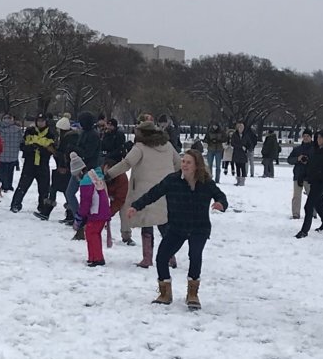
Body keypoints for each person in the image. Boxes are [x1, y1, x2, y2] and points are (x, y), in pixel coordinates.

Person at [132, 147, 229, 309]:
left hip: (199, 227)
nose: (184, 164)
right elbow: (154, 193)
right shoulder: (172, 180)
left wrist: (221, 204)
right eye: (183, 161)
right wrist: (136, 206)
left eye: (188, 162)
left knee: (195, 255)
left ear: (197, 165)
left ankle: (192, 294)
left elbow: (221, 196)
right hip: (177, 227)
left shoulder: (206, 183)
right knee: (161, 257)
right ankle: (165, 293)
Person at [110, 118, 181, 269]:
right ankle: (170, 257)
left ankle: (147, 258)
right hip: (165, 189)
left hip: (145, 190)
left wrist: (110, 174)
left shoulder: (140, 147)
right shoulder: (167, 145)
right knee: (164, 223)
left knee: (146, 224)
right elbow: (178, 163)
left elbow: (127, 163)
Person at [13, 116, 53, 214]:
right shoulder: (30, 131)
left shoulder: (50, 134)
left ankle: (42, 206)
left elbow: (52, 150)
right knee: (23, 185)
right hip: (30, 163)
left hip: (42, 163)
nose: (40, 123)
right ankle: (15, 204)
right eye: (38, 121)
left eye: (42, 121)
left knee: (44, 188)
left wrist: (41, 149)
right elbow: (22, 146)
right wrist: (31, 148)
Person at [76, 162, 112, 266]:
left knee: (92, 234)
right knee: (92, 233)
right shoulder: (95, 177)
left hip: (96, 212)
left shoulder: (86, 182)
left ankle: (98, 258)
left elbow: (85, 203)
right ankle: (93, 257)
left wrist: (80, 215)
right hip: (102, 211)